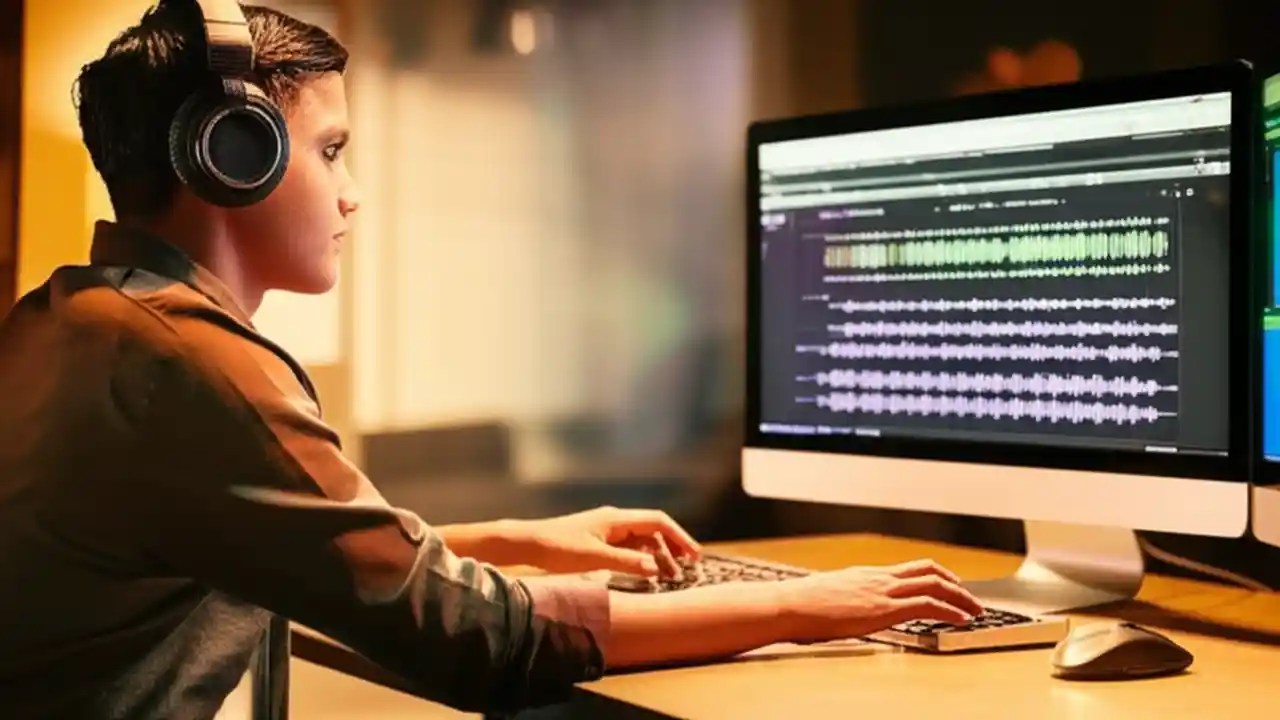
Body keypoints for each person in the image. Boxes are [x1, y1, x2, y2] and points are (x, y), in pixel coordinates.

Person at [0, 2, 982, 717]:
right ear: (232, 153)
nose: (351, 193)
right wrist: (804, 604)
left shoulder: (71, 320)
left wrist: (520, 536)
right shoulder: (185, 362)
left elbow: (293, 549)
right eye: (332, 149)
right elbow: (471, 643)